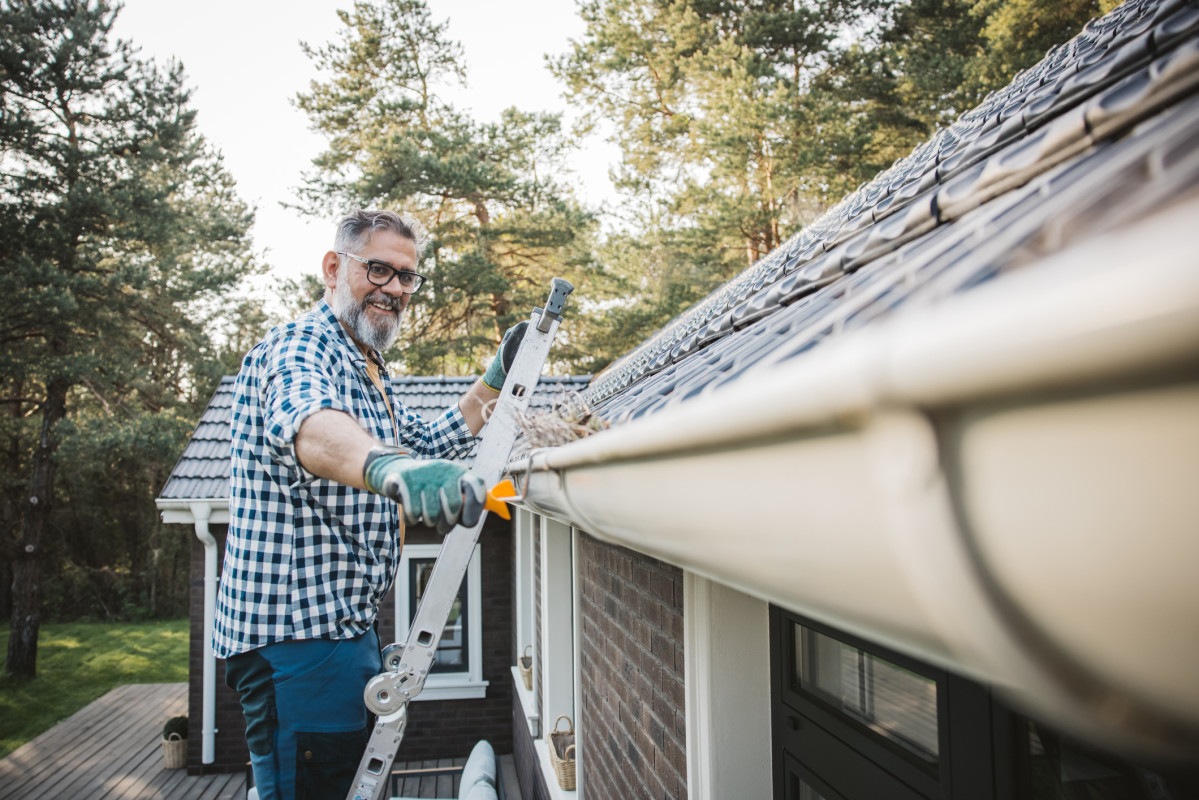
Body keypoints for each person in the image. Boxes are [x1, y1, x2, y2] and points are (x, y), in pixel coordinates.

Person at [213, 209, 526, 800]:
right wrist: (390, 468)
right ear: (334, 268)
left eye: (407, 278)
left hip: (340, 631)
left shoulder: (365, 366)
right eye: (378, 269)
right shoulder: (301, 347)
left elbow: (427, 440)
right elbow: (308, 425)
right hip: (295, 641)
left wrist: (495, 381)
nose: (394, 289)